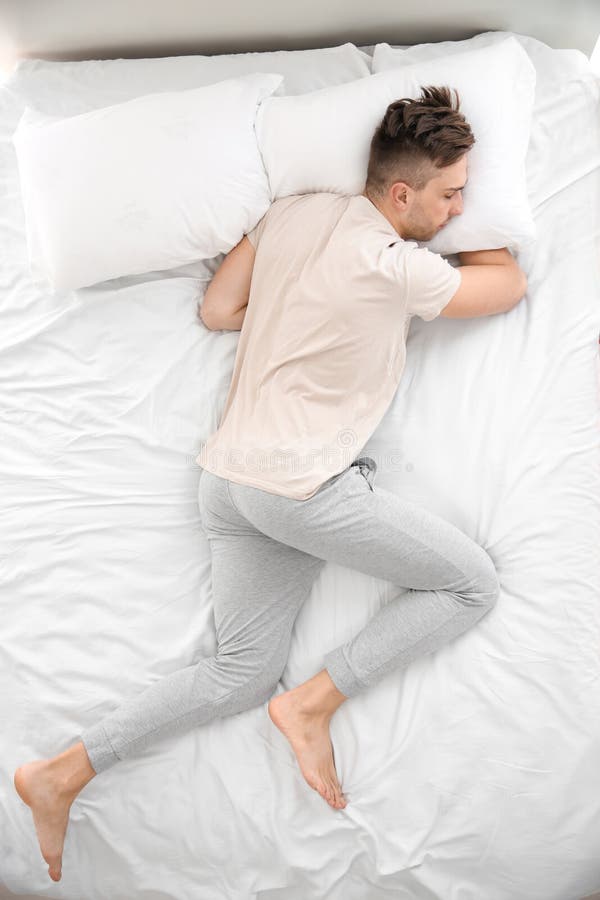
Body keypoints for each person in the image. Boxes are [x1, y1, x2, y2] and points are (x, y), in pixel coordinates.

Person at [13, 85, 527, 883]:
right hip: (298, 491)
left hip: (228, 481)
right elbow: (507, 286)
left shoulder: (294, 211)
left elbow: (220, 308)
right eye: (452, 194)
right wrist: (483, 232)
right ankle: (314, 701)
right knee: (472, 586)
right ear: (402, 193)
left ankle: (62, 773)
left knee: (236, 674)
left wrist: (302, 311)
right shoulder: (400, 267)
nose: (460, 211)